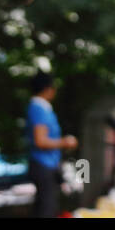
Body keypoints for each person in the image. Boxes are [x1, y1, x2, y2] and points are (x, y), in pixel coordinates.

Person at [26, 70, 77, 218]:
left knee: (45, 206)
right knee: (46, 208)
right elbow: (40, 140)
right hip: (42, 164)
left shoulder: (41, 108)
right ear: (48, 89)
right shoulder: (38, 108)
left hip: (46, 165)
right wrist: (65, 142)